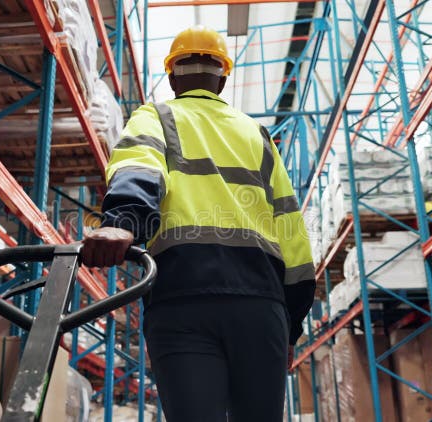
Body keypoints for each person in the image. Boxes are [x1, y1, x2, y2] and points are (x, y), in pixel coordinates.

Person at [81, 26, 316, 421]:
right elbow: (292, 232)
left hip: (182, 302)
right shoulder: (257, 135)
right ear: (223, 77)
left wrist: (124, 221)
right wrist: (291, 323)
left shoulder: (158, 116)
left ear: (172, 76)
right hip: (261, 309)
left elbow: (139, 163)